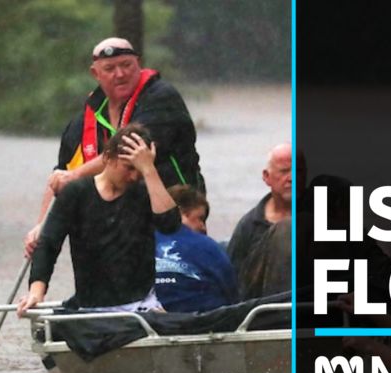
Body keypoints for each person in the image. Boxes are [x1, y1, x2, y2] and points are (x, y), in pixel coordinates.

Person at [25, 37, 201, 257]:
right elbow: (62, 175)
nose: (120, 74)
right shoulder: (83, 121)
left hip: (176, 213)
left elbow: (129, 148)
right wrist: (42, 226)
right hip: (121, 228)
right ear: (95, 74)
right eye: (109, 68)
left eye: (126, 65)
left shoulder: (161, 97)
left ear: (139, 63)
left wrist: (76, 175)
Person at [16, 125, 180, 317]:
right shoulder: (76, 193)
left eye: (139, 170)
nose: (134, 176)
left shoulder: (145, 192)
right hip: (91, 304)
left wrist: (149, 170)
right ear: (109, 157)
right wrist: (36, 291)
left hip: (141, 303)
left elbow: (170, 225)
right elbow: (49, 243)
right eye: (129, 168)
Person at [154, 185, 238, 312]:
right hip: (200, 325)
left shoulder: (137, 245)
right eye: (201, 219)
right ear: (182, 213)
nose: (204, 227)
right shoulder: (209, 248)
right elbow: (232, 295)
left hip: (145, 324)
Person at [227, 143, 292, 298]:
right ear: (266, 177)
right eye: (284, 171)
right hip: (264, 305)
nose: (292, 178)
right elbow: (231, 279)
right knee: (286, 229)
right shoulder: (249, 225)